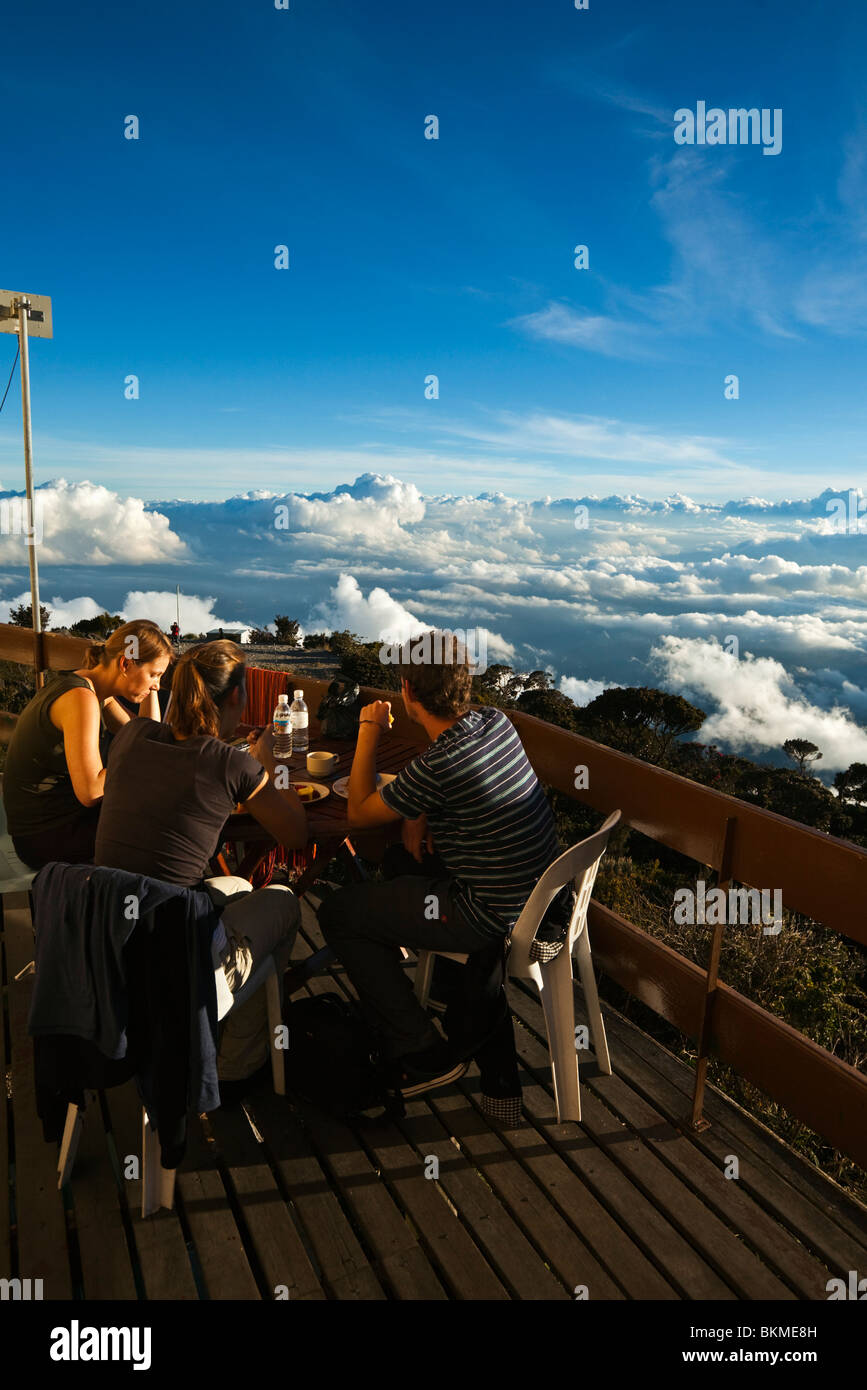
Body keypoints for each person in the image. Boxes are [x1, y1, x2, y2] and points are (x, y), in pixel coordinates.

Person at [317, 630, 560, 1097]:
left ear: (407, 690)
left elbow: (359, 812)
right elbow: (453, 776)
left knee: (339, 913)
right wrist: (417, 812)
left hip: (489, 917)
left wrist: (369, 728)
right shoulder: (497, 721)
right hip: (538, 898)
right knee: (397, 861)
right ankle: (413, 993)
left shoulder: (439, 763)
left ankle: (421, 1048)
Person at [94, 640, 307, 1091]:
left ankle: (222, 1035)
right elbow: (294, 835)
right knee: (284, 901)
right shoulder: (232, 764)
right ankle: (234, 1067)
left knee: (236, 884)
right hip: (177, 970)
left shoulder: (131, 736)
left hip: (106, 953)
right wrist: (273, 760)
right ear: (236, 697)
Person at [3, 620, 172, 870]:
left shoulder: (93, 690)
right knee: (165, 823)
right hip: (46, 838)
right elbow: (91, 791)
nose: (158, 684)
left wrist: (150, 682)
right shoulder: (80, 698)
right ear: (125, 664)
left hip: (50, 825)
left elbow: (144, 736)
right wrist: (136, 757)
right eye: (154, 675)